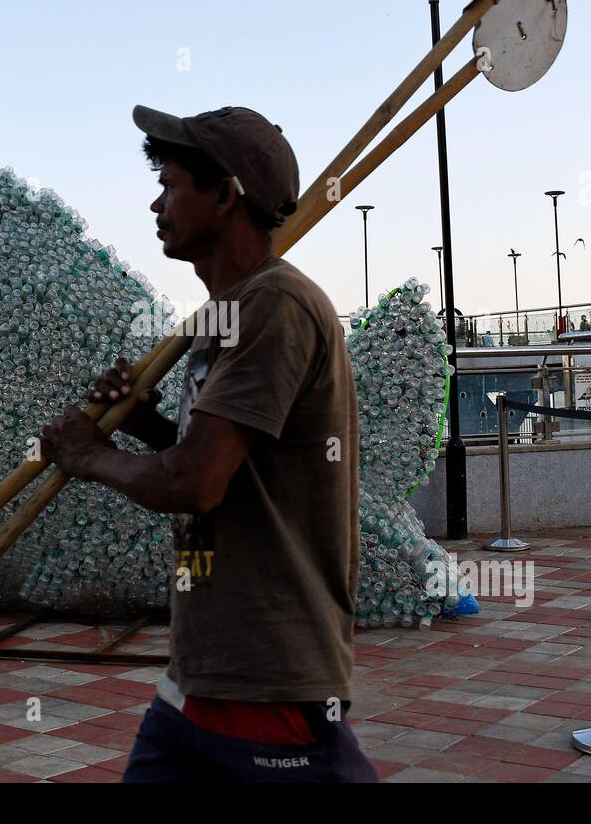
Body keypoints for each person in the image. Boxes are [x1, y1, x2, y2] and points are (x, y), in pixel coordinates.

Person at [40, 104, 376, 783]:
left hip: (269, 678)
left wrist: (85, 455)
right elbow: (232, 467)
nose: (156, 202)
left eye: (171, 184)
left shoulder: (273, 306)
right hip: (203, 675)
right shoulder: (223, 316)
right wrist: (143, 426)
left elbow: (195, 484)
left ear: (225, 196)